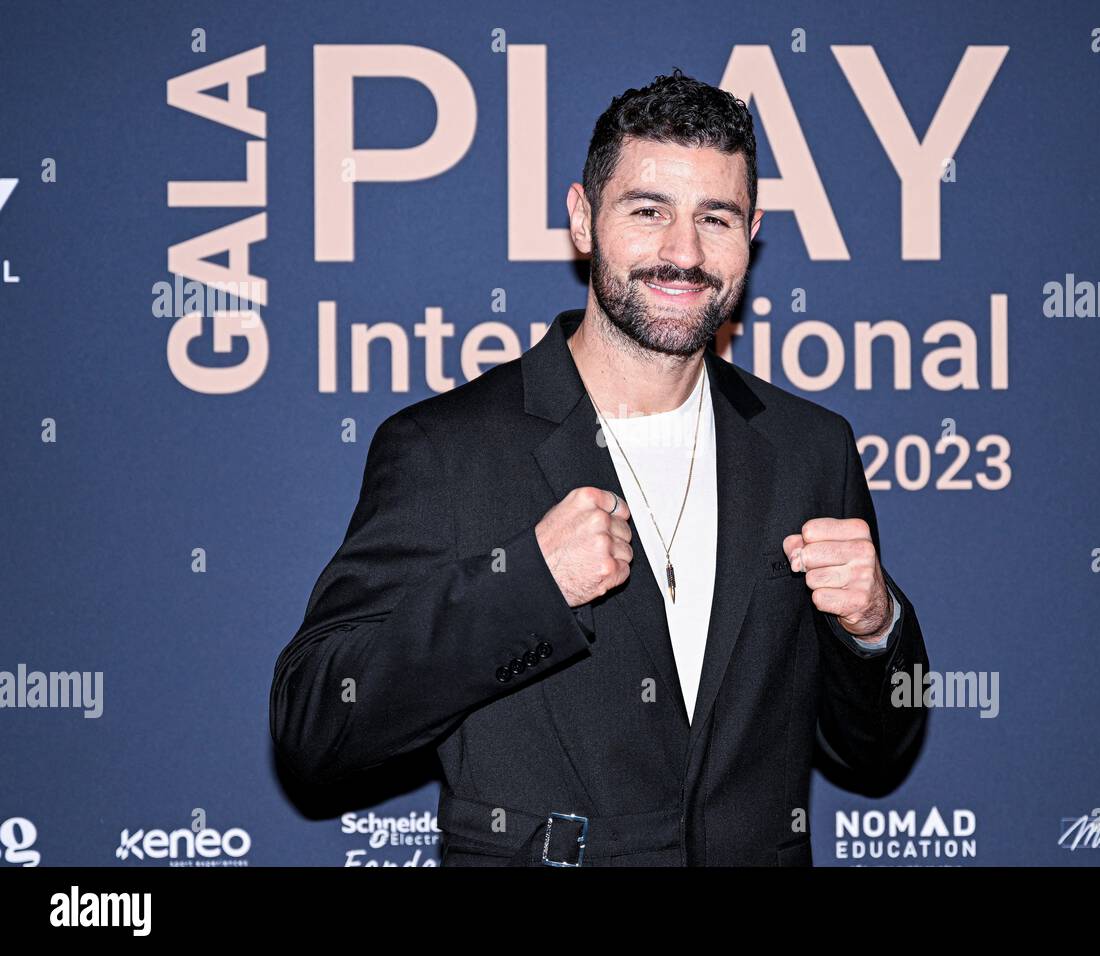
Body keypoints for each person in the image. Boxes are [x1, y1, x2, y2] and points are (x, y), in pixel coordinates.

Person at [270, 67, 929, 866]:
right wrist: (526, 588)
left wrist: (876, 630)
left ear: (751, 232)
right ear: (584, 219)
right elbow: (313, 726)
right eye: (648, 211)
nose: (683, 254)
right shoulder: (447, 449)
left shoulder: (809, 447)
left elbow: (877, 751)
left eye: (715, 219)